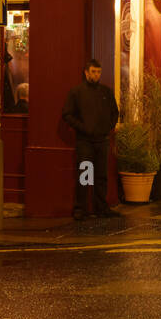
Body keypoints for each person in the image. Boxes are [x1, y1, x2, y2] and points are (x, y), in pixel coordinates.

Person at [62, 58, 120, 220]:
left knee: (101, 175)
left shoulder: (106, 92)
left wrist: (108, 128)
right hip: (85, 142)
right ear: (86, 73)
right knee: (85, 175)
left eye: (99, 72)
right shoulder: (77, 92)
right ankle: (81, 209)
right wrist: (84, 128)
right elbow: (67, 115)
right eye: (93, 72)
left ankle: (101, 207)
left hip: (102, 140)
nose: (96, 75)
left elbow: (114, 113)